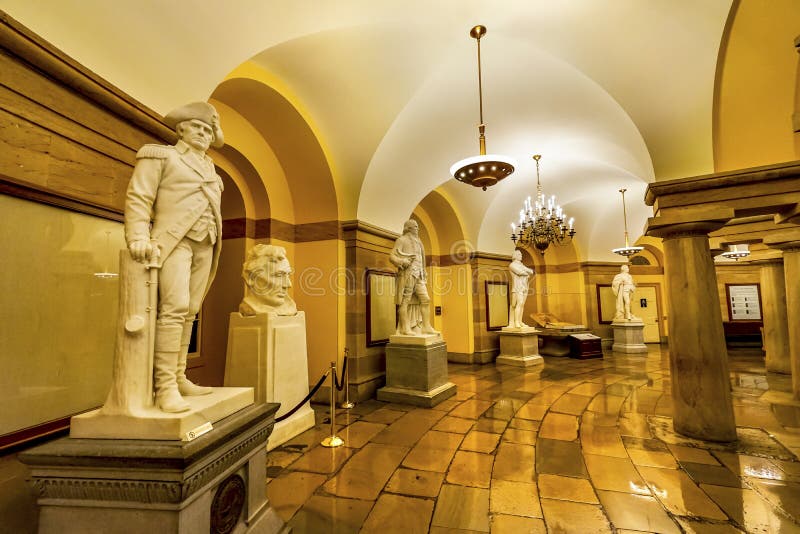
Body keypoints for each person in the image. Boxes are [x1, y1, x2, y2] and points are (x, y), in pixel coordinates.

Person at [124, 102, 224, 413]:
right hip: (173, 241)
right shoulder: (161, 156)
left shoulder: (212, 170)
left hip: (205, 242)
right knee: (173, 307)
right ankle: (164, 386)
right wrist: (138, 237)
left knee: (191, 309)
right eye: (197, 127)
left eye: (208, 130)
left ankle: (179, 377)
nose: (203, 134)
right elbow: (140, 197)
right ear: (181, 129)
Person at [389, 219, 438, 336]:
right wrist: (402, 261)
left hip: (419, 275)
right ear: (409, 228)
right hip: (408, 274)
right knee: (404, 302)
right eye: (415, 227)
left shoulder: (419, 242)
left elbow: (422, 259)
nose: (418, 229)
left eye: (417, 227)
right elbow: (392, 256)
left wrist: (424, 270)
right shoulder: (402, 240)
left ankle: (426, 326)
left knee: (426, 299)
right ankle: (405, 328)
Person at [239, 244, 297, 316]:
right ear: (251, 278)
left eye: (288, 275)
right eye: (278, 275)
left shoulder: (290, 308)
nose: (288, 285)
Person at [508, 249, 534, 328]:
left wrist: (525, 271)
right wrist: (526, 272)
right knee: (517, 304)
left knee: (522, 304)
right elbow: (519, 272)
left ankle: (520, 321)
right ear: (515, 256)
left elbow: (531, 271)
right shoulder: (512, 265)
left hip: (524, 287)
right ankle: (515, 322)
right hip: (517, 287)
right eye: (519, 254)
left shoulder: (521, 265)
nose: (521, 256)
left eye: (521, 254)